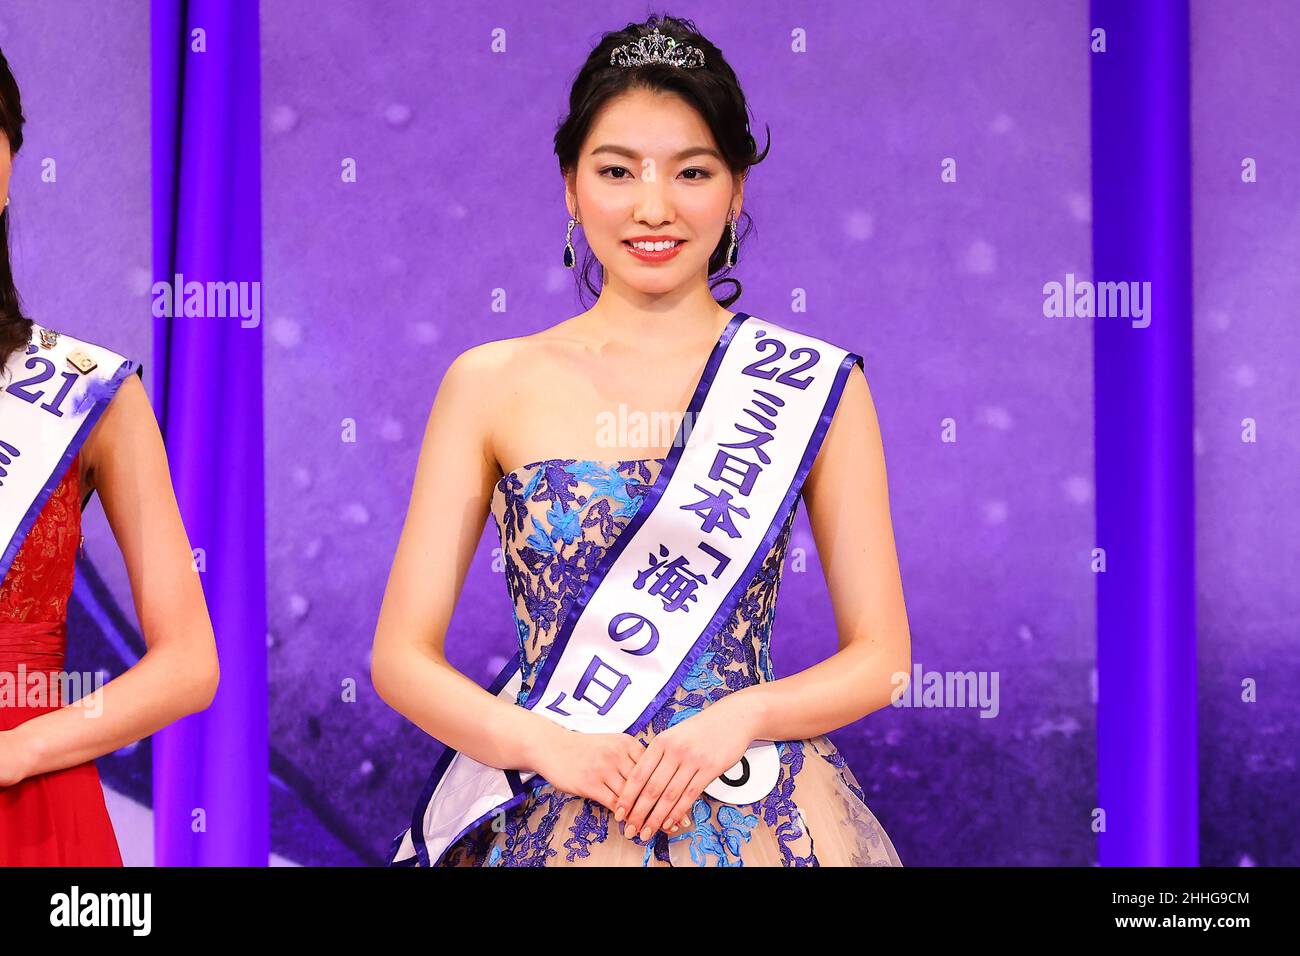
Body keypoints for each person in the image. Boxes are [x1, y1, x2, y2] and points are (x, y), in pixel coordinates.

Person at [373, 14, 910, 867]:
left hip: (756, 804)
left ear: (736, 190)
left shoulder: (810, 382)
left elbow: (883, 658)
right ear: (569, 186)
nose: (652, 207)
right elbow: (400, 659)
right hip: (553, 801)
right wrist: (545, 745)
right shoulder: (489, 382)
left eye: (692, 172)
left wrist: (743, 715)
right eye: (617, 171)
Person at [0, 47, 219, 866]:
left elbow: (189, 664)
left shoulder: (89, 392)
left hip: (30, 801)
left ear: (9, 164)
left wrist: (21, 749)